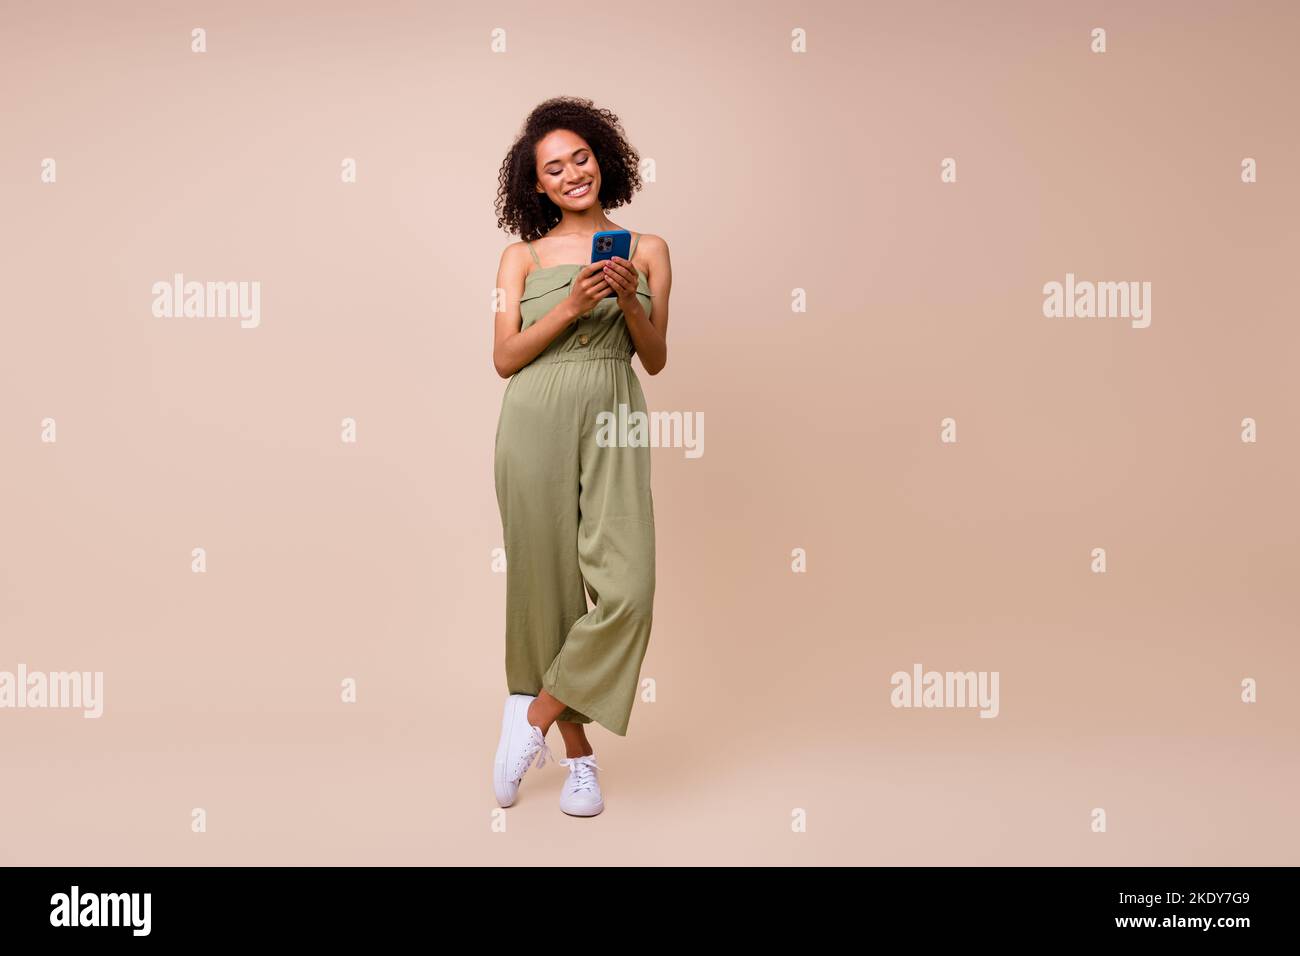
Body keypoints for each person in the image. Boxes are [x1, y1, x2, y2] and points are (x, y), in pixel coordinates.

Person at [490, 96, 672, 816]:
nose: (571, 174)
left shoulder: (648, 248)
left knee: (628, 589)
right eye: (553, 168)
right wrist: (568, 308)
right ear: (536, 185)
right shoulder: (521, 258)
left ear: (604, 158)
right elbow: (503, 358)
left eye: (581, 158)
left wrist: (628, 302)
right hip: (532, 420)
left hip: (616, 414)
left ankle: (528, 715)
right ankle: (579, 762)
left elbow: (654, 358)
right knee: (548, 592)